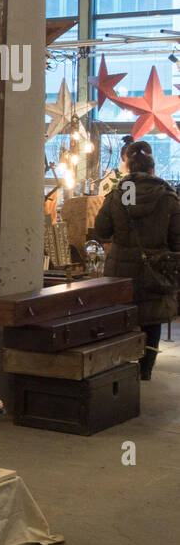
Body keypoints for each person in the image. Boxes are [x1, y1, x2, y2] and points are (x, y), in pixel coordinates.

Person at [92, 140, 180, 381]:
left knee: (123, 316)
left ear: (129, 169)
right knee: (151, 320)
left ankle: (121, 364)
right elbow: (177, 239)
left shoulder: (117, 194)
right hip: (155, 269)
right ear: (152, 170)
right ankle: (146, 369)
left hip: (120, 270)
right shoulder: (168, 197)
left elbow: (101, 229)